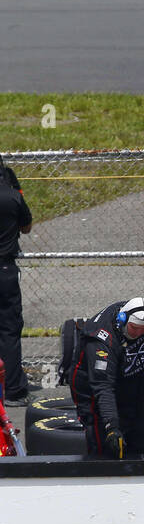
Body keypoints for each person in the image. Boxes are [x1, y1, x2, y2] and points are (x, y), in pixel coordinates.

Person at [67, 298, 144, 458]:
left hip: (129, 382)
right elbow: (103, 387)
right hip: (95, 392)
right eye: (134, 329)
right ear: (123, 320)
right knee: (106, 447)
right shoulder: (100, 340)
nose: (138, 333)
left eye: (142, 329)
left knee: (136, 441)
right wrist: (112, 426)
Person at [0, 161, 33, 407]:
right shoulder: (12, 197)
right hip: (4, 269)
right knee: (9, 330)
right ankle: (12, 390)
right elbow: (27, 226)